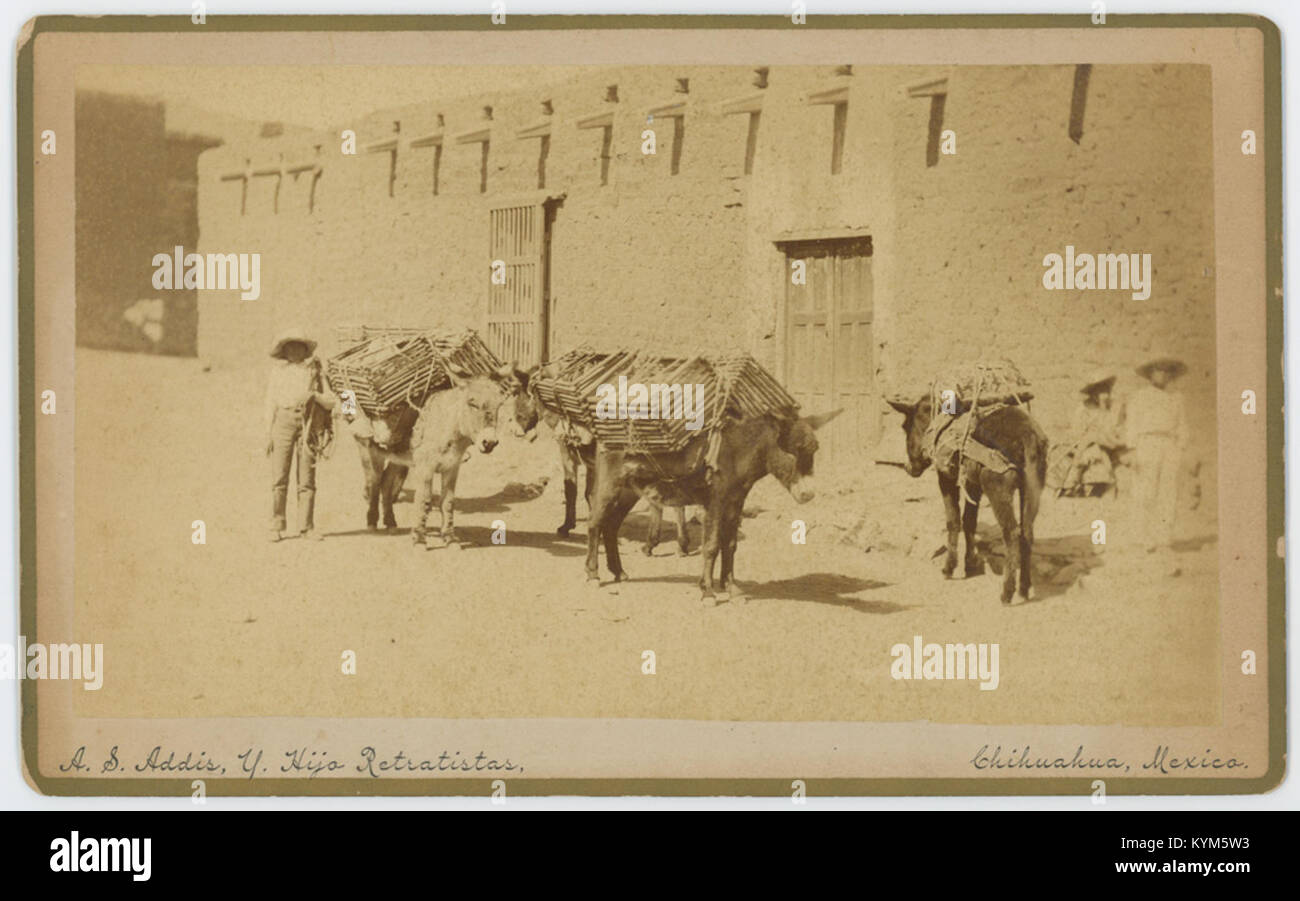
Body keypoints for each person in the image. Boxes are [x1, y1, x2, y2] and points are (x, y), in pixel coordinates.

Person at [265, 329, 337, 542]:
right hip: (283, 423)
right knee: (279, 477)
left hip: (309, 425)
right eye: (289, 346)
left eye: (298, 346)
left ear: (305, 349)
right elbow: (270, 402)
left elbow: (332, 400)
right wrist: (268, 433)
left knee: (306, 479)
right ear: (284, 350)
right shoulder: (277, 372)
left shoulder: (315, 372)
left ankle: (307, 527)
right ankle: (276, 526)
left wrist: (314, 396)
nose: (294, 350)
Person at [1126, 354, 1188, 553]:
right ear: (1150, 374)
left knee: (1168, 492)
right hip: (1147, 443)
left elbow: (1182, 424)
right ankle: (1142, 538)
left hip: (1169, 444)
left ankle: (1164, 539)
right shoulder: (1140, 396)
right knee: (1145, 491)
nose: (1162, 374)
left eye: (1166, 371)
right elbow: (1132, 423)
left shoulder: (1177, 398)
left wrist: (1181, 445)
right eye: (1157, 370)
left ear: (1171, 375)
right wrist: (1133, 450)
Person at [1059, 371, 1125, 496]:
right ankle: (1072, 482)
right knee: (1093, 451)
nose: (1105, 394)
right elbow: (1077, 432)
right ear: (1093, 392)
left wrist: (1104, 410)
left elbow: (1115, 430)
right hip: (1087, 446)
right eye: (1100, 390)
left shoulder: (1113, 408)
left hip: (1108, 445)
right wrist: (1091, 437)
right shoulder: (1083, 409)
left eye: (1106, 390)